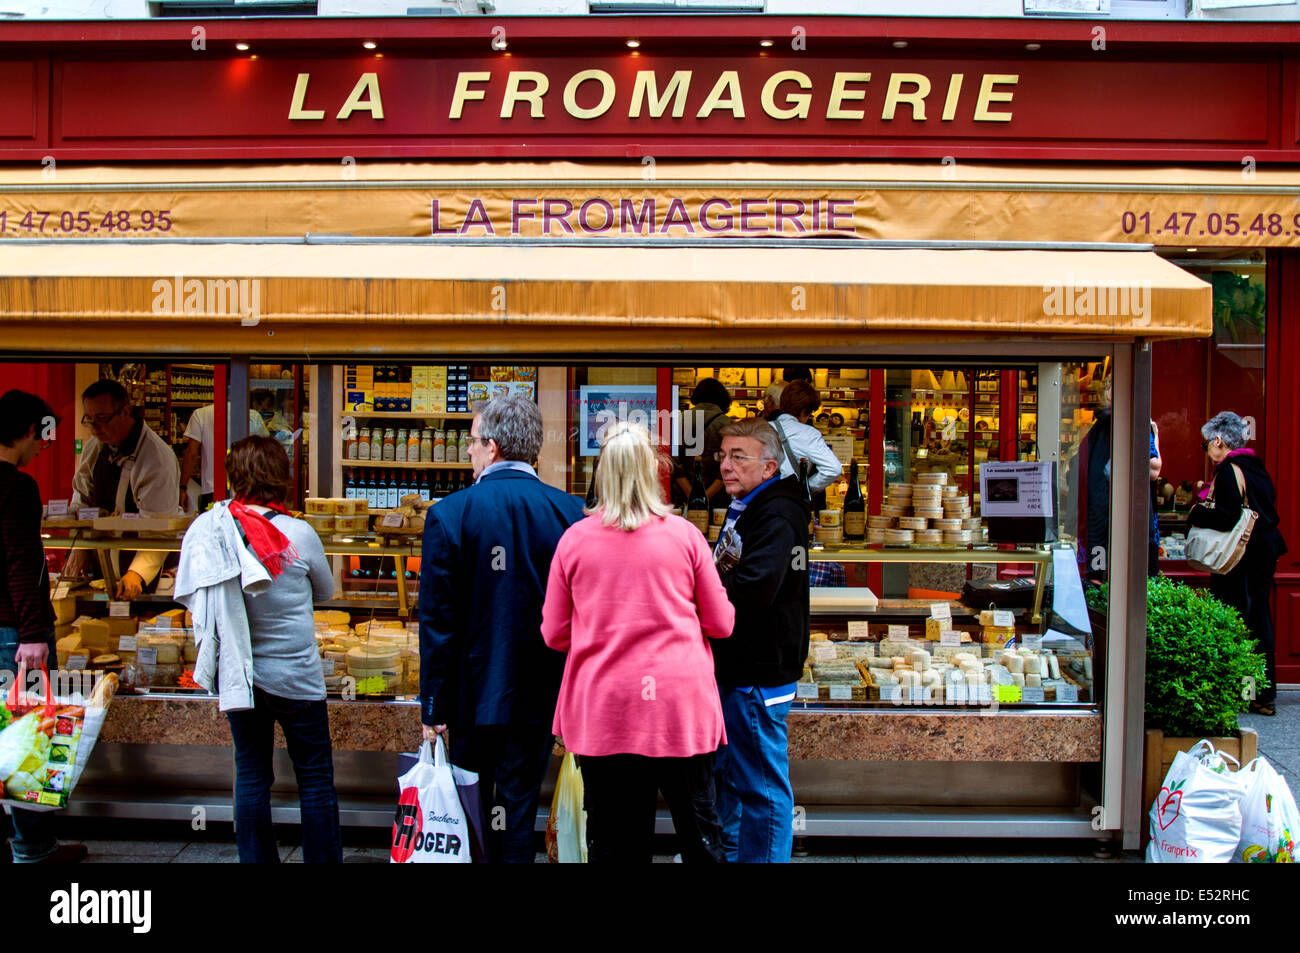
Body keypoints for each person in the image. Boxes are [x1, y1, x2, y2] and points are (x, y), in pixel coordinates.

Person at [541, 421, 734, 863]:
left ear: (601, 473)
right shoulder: (685, 536)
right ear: (653, 473)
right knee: (701, 835)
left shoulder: (573, 541)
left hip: (606, 707)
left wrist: (600, 629)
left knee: (615, 842)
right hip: (679, 707)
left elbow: (553, 633)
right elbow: (722, 624)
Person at [418, 396, 584, 862]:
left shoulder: (450, 514)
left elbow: (437, 622)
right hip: (540, 694)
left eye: (472, 442)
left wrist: (432, 703)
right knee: (518, 811)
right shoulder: (568, 512)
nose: (468, 451)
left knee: (470, 811)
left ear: (491, 447)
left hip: (469, 697)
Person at [177, 436, 339, 862]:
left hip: (242, 677)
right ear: (281, 477)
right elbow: (326, 591)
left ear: (236, 477)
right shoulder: (299, 533)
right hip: (297, 678)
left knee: (250, 774)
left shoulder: (215, 530)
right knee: (315, 778)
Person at [710, 418, 811, 863]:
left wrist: (697, 592)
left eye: (738, 457)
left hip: (758, 674)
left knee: (763, 790)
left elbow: (754, 588)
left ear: (769, 467)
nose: (727, 466)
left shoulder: (777, 513)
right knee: (733, 780)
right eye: (723, 455)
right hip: (740, 669)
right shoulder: (748, 504)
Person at [0, 390, 87, 864]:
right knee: (32, 735)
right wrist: (32, 634)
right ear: (31, 430)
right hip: (15, 634)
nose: (42, 449)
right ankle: (34, 846)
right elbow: (23, 565)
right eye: (44, 437)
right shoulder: (15, 487)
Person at [1188, 411, 1287, 716]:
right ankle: (1261, 693)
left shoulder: (1229, 470)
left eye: (1206, 445)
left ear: (1219, 441)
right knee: (1259, 621)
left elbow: (1228, 516)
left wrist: (1196, 511)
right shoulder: (1257, 468)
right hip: (1263, 554)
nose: (1207, 451)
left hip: (1240, 560)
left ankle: (1246, 692)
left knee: (1239, 625)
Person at [66, 379, 180, 599]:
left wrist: (136, 573)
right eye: (89, 420)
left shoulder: (156, 458)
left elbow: (158, 526)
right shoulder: (94, 447)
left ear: (125, 412)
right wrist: (79, 545)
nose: (94, 427)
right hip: (101, 566)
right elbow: (81, 498)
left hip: (143, 577)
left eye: (101, 419)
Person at [178, 404, 268, 513]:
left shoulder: (201, 414)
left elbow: (191, 454)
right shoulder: (253, 415)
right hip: (248, 488)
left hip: (212, 489)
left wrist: (183, 486)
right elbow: (265, 453)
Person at [771, 380, 843, 494]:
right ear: (806, 411)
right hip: (791, 501)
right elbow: (833, 469)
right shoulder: (809, 434)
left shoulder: (762, 429)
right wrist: (807, 486)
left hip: (761, 502)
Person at [674, 377, 733, 508]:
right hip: (718, 499)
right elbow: (729, 464)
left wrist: (691, 494)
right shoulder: (728, 424)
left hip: (684, 497)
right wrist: (706, 496)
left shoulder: (680, 420)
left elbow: (674, 463)